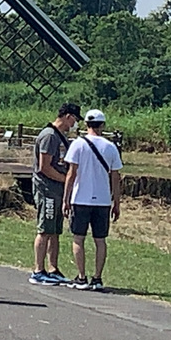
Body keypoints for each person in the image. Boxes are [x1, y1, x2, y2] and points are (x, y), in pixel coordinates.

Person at [61, 109, 122, 291]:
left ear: (86, 124)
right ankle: (97, 278)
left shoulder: (77, 145)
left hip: (81, 198)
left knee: (78, 238)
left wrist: (66, 199)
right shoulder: (110, 147)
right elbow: (115, 176)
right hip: (102, 200)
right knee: (100, 240)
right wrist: (116, 202)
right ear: (102, 125)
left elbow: (71, 174)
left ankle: (81, 277)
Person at [29, 103, 81, 286]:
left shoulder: (60, 136)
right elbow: (44, 166)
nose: (75, 124)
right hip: (47, 189)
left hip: (57, 191)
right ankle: (38, 270)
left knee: (55, 230)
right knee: (45, 229)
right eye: (75, 119)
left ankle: (53, 268)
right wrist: (65, 180)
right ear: (68, 116)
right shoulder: (49, 136)